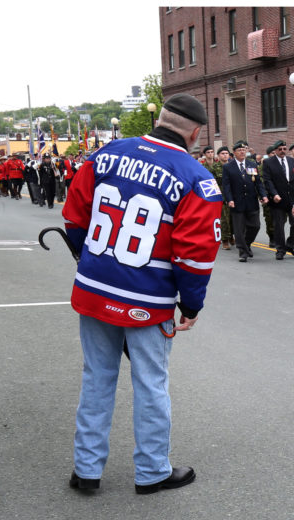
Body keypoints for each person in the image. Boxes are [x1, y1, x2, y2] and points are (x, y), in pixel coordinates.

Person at [62, 93, 220, 494]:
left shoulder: (106, 154)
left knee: (96, 378)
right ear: (195, 133)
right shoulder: (197, 178)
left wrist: (88, 256)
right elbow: (195, 254)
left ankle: (87, 469)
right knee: (150, 383)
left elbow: (75, 216)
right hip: (147, 298)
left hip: (95, 287)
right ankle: (152, 471)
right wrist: (192, 303)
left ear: (160, 119)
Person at [221, 140, 267, 262]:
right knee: (239, 229)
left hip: (251, 201)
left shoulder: (252, 164)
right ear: (234, 153)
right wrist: (229, 199)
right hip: (237, 202)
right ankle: (243, 252)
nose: (242, 152)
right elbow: (226, 186)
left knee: (255, 226)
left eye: (244, 150)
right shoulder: (228, 167)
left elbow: (258, 183)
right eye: (239, 150)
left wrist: (263, 195)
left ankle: (246, 244)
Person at [262, 140, 294, 260]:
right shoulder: (268, 162)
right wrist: (274, 194)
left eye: (284, 149)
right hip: (277, 200)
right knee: (279, 226)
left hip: (292, 199)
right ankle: (280, 250)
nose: (282, 151)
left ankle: (290, 244)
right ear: (275, 150)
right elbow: (267, 180)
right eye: (280, 149)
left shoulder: (292, 161)